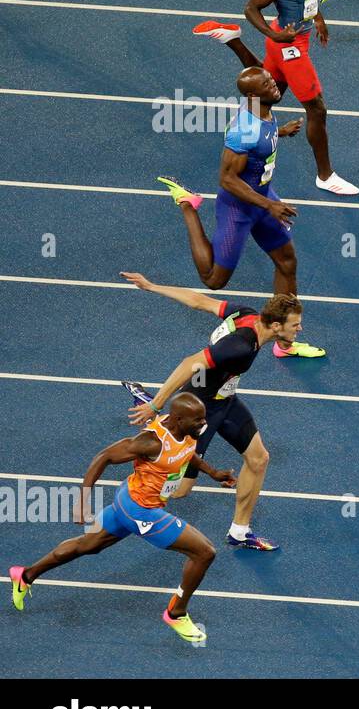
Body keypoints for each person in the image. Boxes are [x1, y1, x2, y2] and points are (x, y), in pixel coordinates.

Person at [8, 393, 234, 644]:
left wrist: (212, 472)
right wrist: (82, 500)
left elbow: (186, 452)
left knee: (88, 545)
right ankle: (176, 613)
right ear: (178, 419)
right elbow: (103, 457)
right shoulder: (150, 442)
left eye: (203, 419)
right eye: (198, 420)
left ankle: (25, 575)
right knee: (205, 552)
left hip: (128, 499)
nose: (203, 424)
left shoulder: (186, 431)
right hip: (139, 510)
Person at [118, 272, 309, 551]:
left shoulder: (247, 314)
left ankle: (240, 532)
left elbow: (198, 301)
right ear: (277, 325)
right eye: (296, 325)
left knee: (258, 459)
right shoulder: (240, 347)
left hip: (225, 400)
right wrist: (156, 404)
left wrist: (152, 286)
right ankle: (133, 490)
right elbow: (189, 364)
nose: (300, 330)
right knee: (181, 490)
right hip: (200, 409)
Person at [154, 64, 325, 360]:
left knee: (287, 262)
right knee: (214, 280)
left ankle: (284, 342)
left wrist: (280, 132)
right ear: (251, 95)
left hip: (262, 198)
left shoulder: (264, 108)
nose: (275, 86)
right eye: (268, 84)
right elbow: (227, 179)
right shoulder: (242, 132)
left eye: (272, 81)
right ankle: (187, 204)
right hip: (239, 208)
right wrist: (270, 205)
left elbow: (262, 140)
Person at [192, 0, 358, 195]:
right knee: (317, 108)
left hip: (298, 37)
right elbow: (250, 9)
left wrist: (318, 18)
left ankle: (233, 41)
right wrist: (274, 35)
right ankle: (325, 176)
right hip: (287, 44)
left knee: (268, 94)